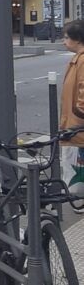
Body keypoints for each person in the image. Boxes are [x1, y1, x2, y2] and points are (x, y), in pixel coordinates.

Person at [60, 20, 84, 204]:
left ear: (77, 39)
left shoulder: (82, 59)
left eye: (66, 37)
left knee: (77, 181)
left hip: (77, 130)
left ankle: (78, 203)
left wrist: (78, 115)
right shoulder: (78, 58)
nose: (63, 41)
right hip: (74, 128)